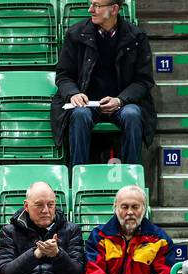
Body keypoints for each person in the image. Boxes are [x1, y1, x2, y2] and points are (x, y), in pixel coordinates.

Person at [51, 0, 156, 168]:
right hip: (87, 103)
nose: (90, 9)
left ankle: (131, 179)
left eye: (97, 6)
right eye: (91, 4)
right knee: (79, 115)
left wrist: (120, 100)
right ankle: (78, 176)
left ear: (114, 9)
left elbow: (143, 81)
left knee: (132, 115)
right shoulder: (76, 34)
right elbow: (64, 75)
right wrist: (74, 94)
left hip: (122, 103)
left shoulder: (136, 37)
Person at [0, 181, 85, 274]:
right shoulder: (10, 232)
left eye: (50, 205)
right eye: (39, 205)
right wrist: (35, 254)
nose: (45, 210)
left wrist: (57, 254)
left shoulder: (71, 230)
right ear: (26, 206)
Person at [84, 188, 175, 274]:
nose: (130, 212)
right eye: (124, 207)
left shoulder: (159, 239)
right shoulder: (99, 237)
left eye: (135, 207)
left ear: (144, 208)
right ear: (115, 208)